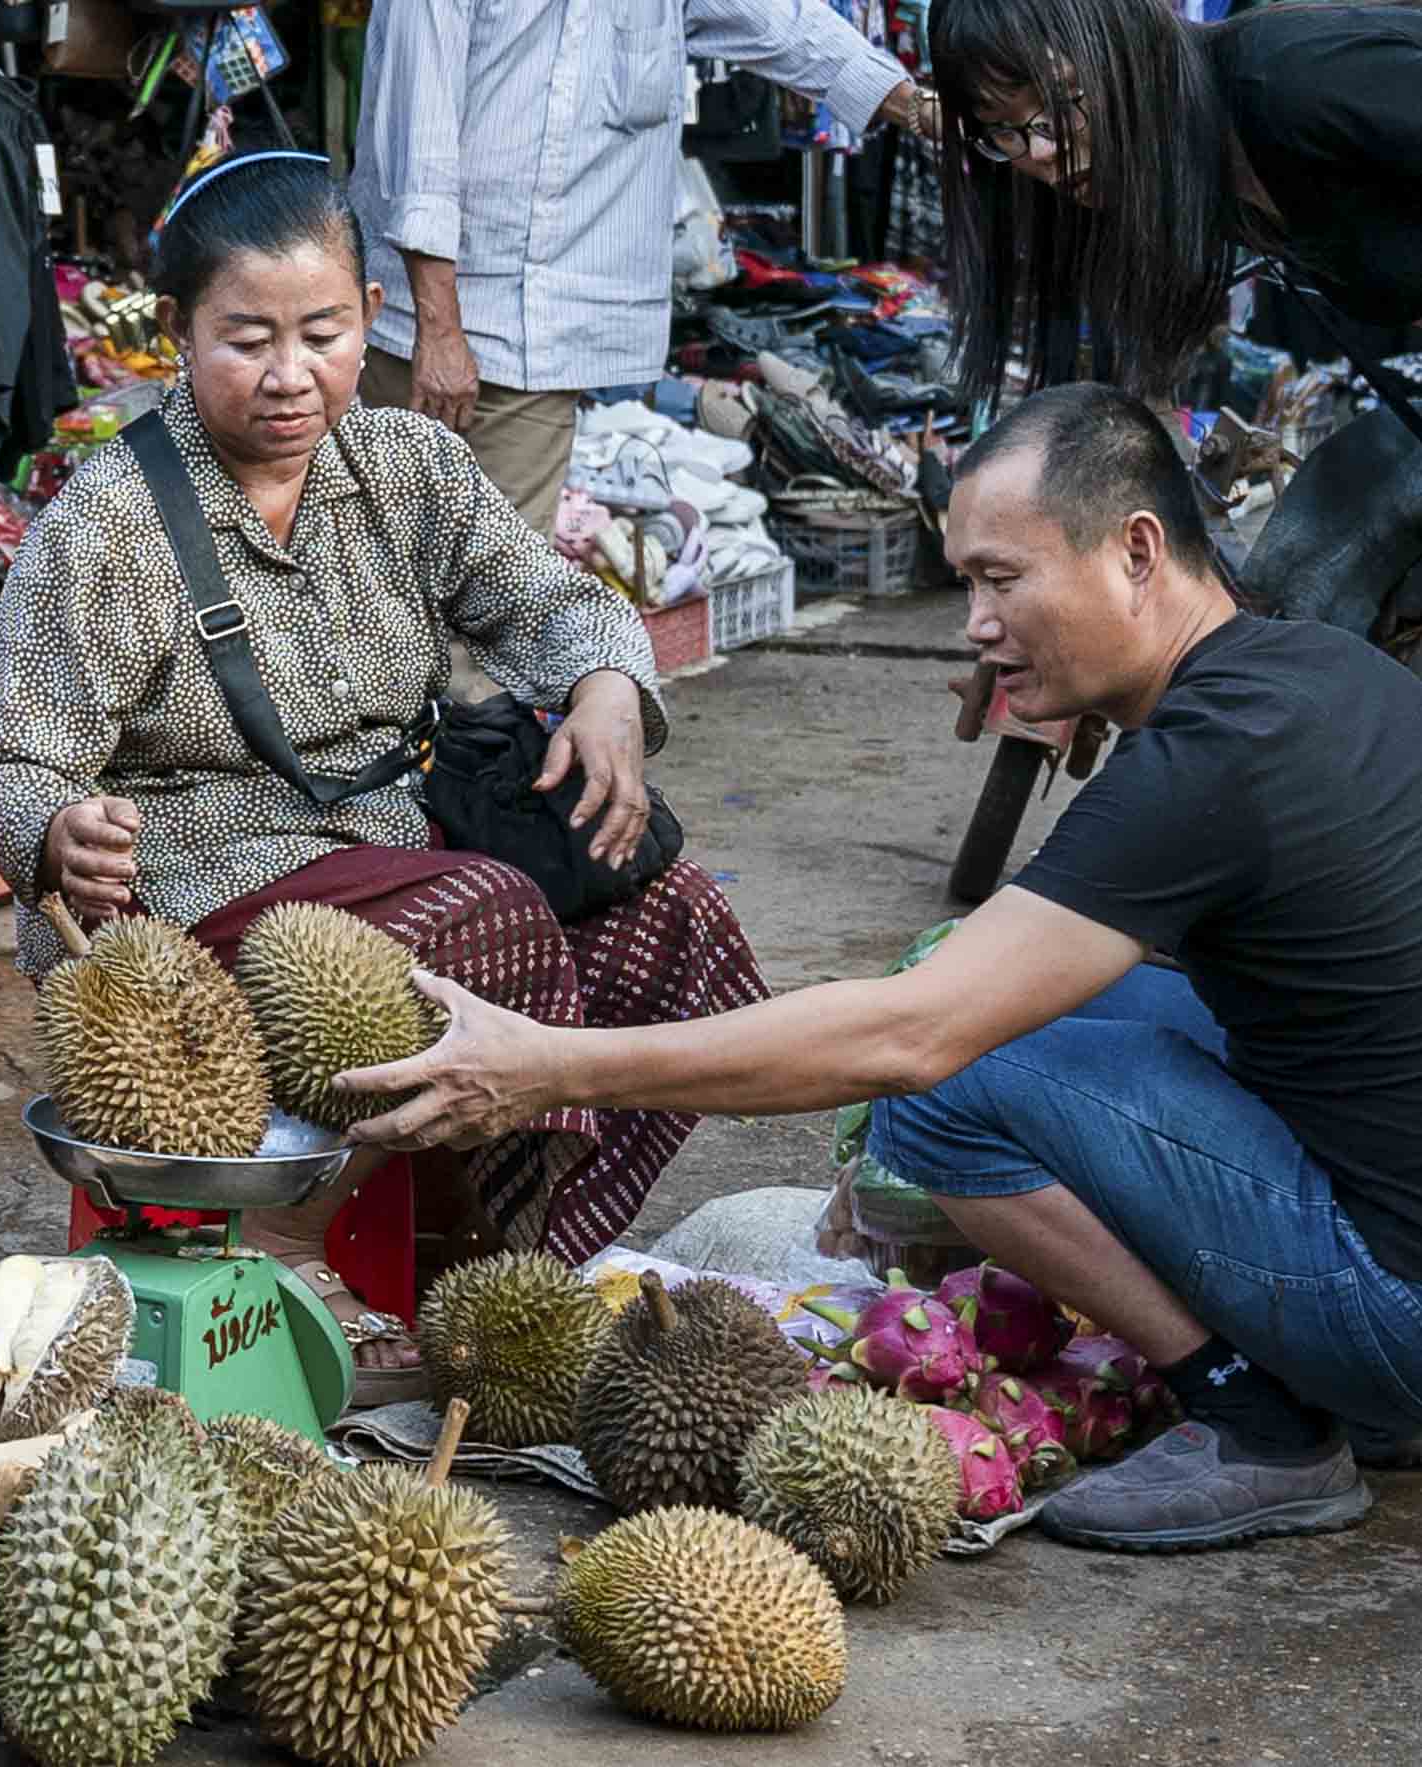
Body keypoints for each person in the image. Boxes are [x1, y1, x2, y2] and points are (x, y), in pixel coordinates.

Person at [336, 382, 1422, 1551]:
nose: (975, 624)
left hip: (1392, 1305)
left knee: (943, 1091)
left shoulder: (1205, 763)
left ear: (1137, 552)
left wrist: (554, 1067)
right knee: (1036, 982)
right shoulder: (1320, 669)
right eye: (967, 583)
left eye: (1003, 581)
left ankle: (1259, 1419)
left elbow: (915, 1035)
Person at [0, 154, 768, 1405]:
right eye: (246, 339)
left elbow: (549, 602)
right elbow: (15, 753)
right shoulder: (110, 521)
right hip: (189, 895)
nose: (289, 375)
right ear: (175, 334)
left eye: (321, 334)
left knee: (670, 910)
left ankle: (499, 1276)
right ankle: (328, 1255)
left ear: (370, 324)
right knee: (485, 916)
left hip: (394, 848)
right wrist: (58, 832)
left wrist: (610, 689)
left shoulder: (405, 466)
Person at [349, 0, 934, 527]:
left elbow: (788, 28)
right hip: (431, 329)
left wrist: (923, 109)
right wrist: (441, 332)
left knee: (487, 594)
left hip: (543, 345)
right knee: (428, 586)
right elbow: (418, 148)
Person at [929, 0, 1422, 407]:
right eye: (1000, 128)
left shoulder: (1295, 81)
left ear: (1126, 43)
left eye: (1061, 98)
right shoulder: (1185, 169)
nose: (1040, 150)